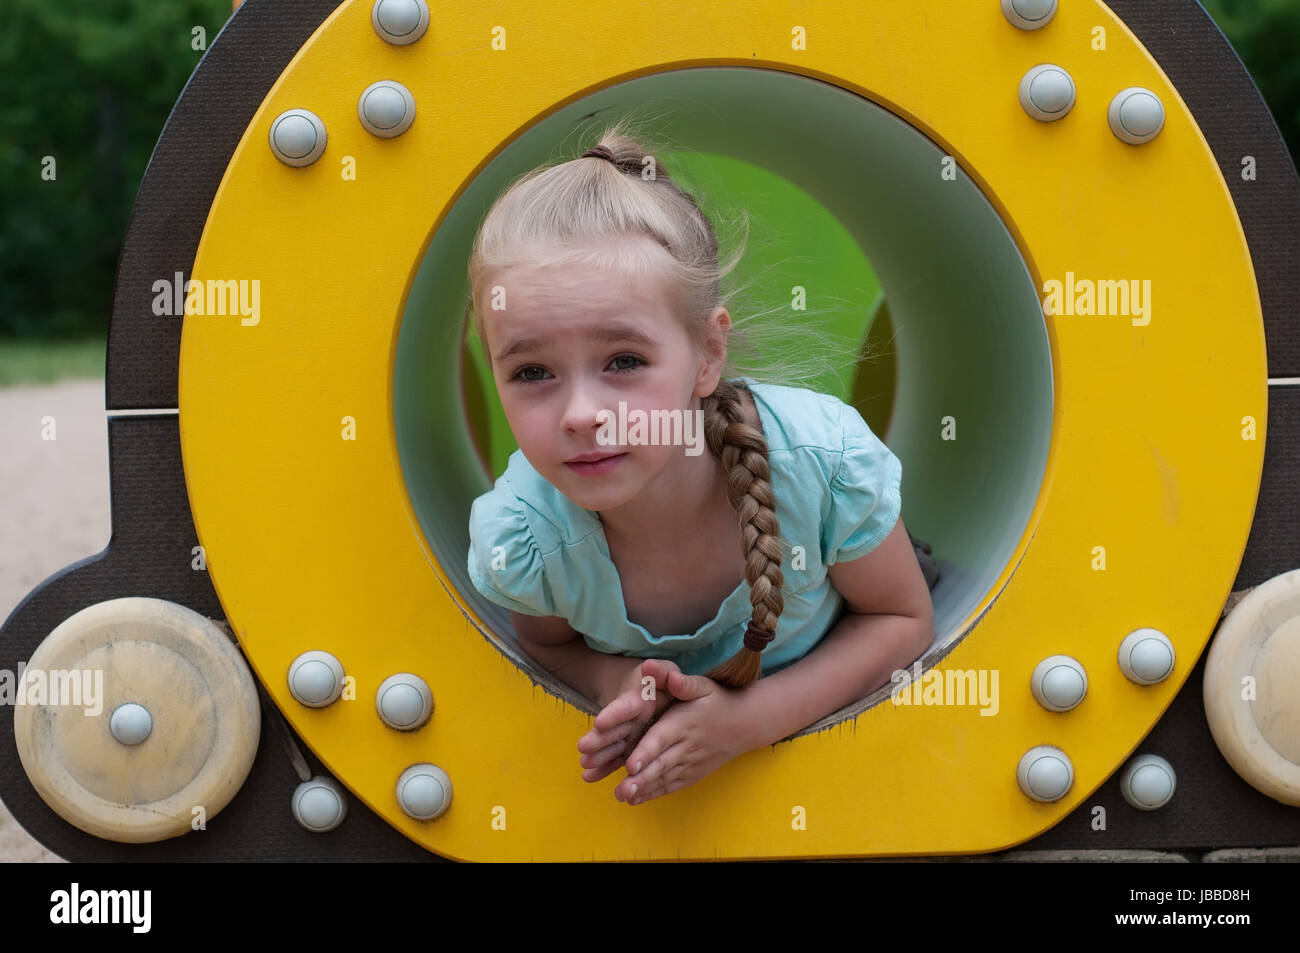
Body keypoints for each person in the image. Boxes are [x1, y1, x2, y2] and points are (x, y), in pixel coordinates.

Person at [465, 118, 935, 807]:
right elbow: (548, 646)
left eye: (623, 361)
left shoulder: (818, 464)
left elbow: (902, 621)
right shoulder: (527, 538)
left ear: (707, 355)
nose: (578, 413)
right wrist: (613, 682)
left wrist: (750, 722)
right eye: (533, 371)